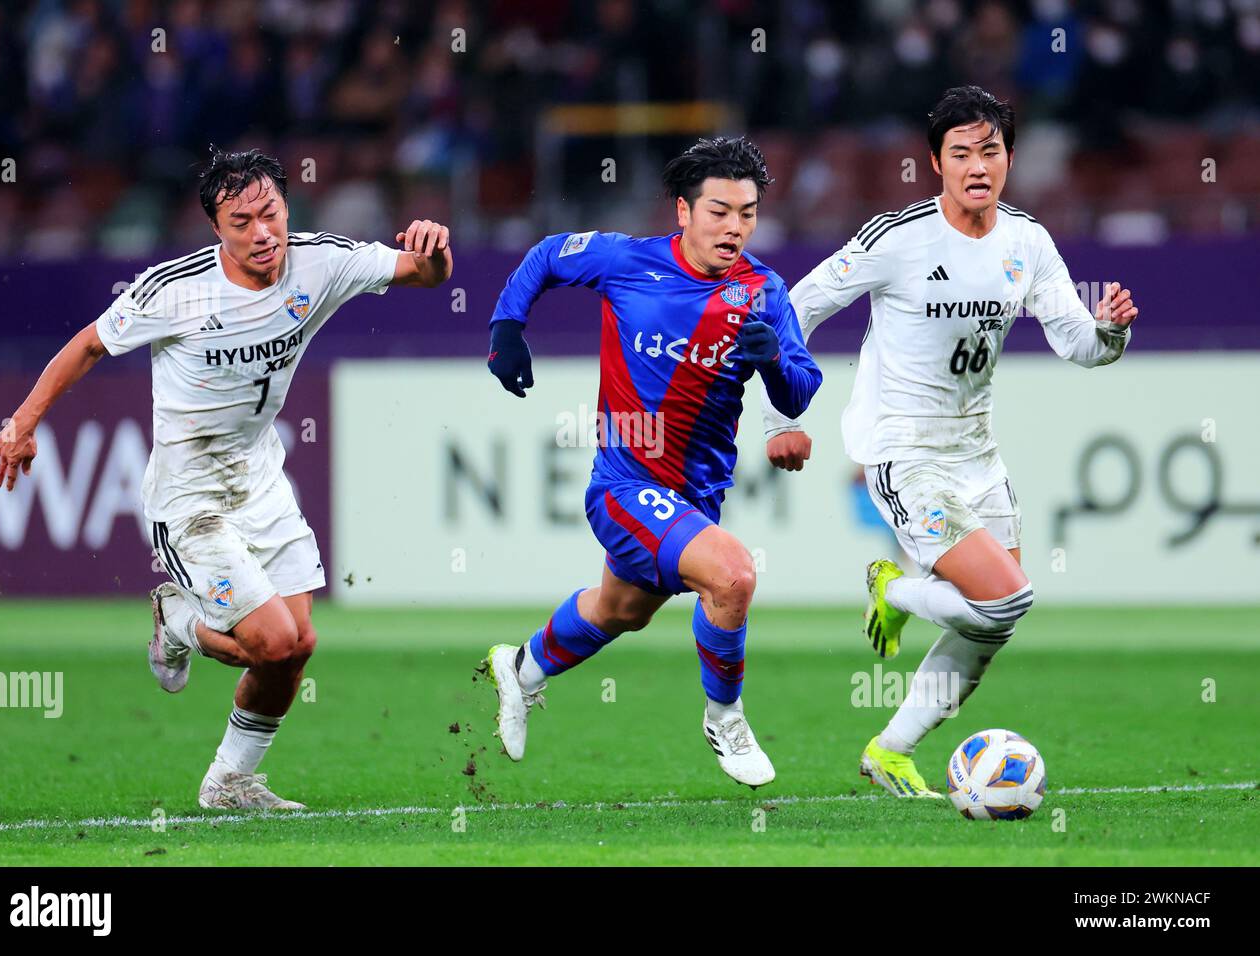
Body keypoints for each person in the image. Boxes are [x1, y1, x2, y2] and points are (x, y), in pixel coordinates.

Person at [0, 148, 453, 809]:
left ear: (287, 207)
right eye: (241, 222)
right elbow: (87, 344)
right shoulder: (175, 290)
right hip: (190, 495)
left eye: (271, 214)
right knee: (269, 642)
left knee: (299, 645)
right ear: (215, 227)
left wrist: (435, 251)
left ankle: (231, 781)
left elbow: (425, 275)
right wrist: (22, 425)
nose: (262, 233)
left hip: (260, 481)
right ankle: (177, 617)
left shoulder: (322, 260)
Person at [763, 87, 1138, 798]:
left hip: (978, 456)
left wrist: (1109, 329)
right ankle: (894, 589)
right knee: (1008, 601)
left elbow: (1079, 346)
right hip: (903, 452)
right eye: (960, 153)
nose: (977, 165)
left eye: (989, 151)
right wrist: (779, 419)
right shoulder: (898, 239)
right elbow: (792, 308)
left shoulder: (1027, 243)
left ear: (1010, 158)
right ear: (935, 163)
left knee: (992, 626)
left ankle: (890, 749)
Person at [484, 136, 822, 788]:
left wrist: (772, 360)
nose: (735, 227)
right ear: (683, 211)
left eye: (747, 213)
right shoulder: (626, 261)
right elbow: (548, 255)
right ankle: (724, 717)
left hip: (696, 496)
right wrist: (506, 328)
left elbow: (799, 390)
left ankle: (521, 667)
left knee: (620, 610)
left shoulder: (765, 292)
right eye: (720, 211)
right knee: (732, 577)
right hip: (624, 484)